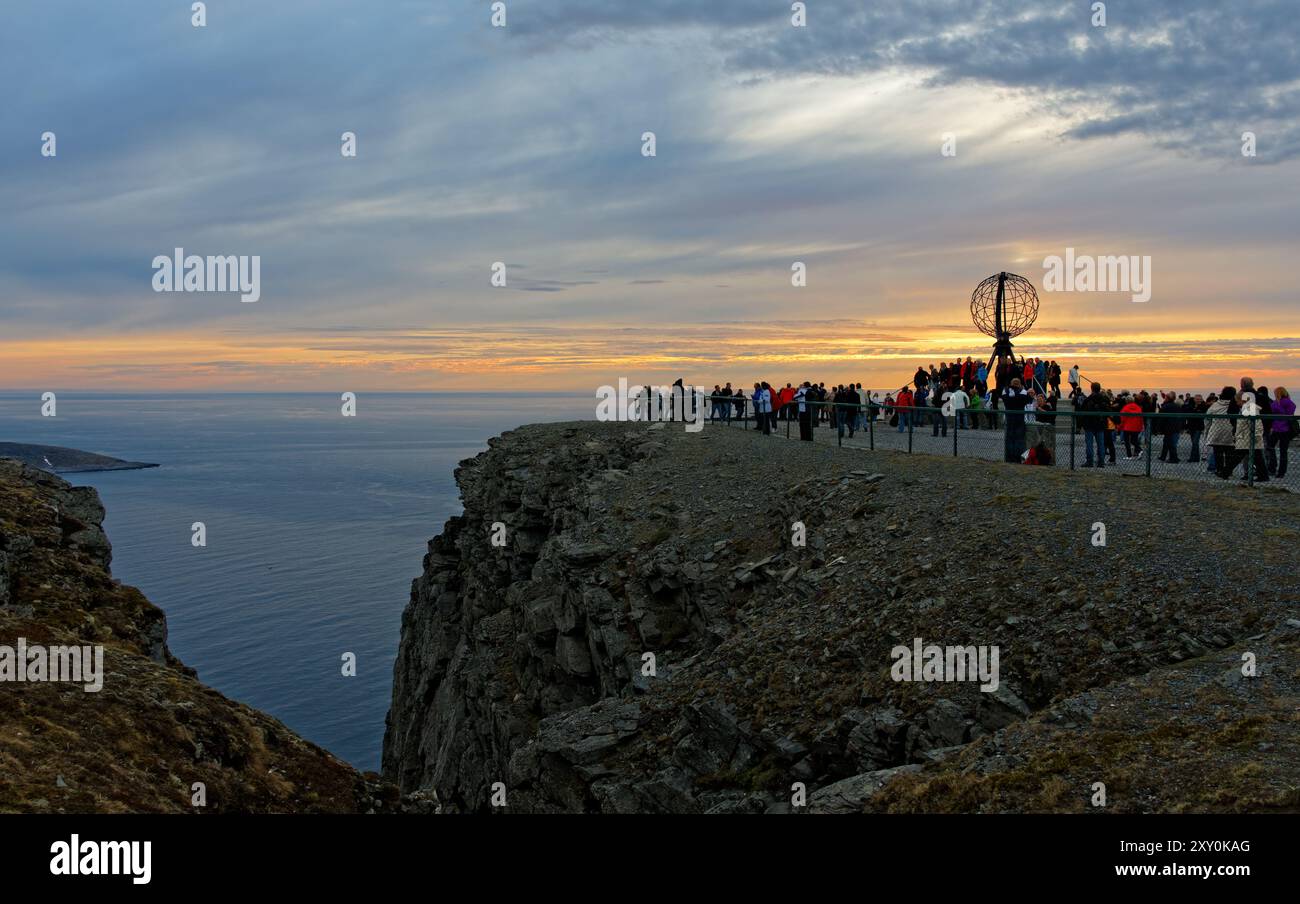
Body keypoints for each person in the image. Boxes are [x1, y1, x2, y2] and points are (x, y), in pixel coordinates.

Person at [1205, 388, 1236, 478]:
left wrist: (1207, 431)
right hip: (1230, 432)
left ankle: (1219, 470)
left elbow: (1207, 418)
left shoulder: (1215, 405)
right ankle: (1228, 471)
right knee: (1229, 453)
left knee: (1218, 453)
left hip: (1216, 432)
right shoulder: (1235, 406)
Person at [1077, 381, 1109, 468]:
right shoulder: (1104, 399)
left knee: (1089, 444)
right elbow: (1108, 411)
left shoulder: (1088, 400)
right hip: (1100, 424)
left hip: (1089, 424)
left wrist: (1081, 425)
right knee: (1101, 444)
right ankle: (1101, 462)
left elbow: (1082, 412)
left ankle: (1089, 461)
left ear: (1091, 389)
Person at [1001, 379, 1030, 462]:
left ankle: (1009, 458)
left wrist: (1012, 398)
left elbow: (1006, 401)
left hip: (1010, 418)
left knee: (1010, 438)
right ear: (1020, 384)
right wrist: (1017, 398)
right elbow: (1025, 400)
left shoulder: (1005, 391)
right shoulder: (1023, 391)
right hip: (1019, 418)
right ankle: (1018, 458)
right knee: (1019, 439)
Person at [1270, 387, 1296, 478]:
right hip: (1286, 429)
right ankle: (1281, 472)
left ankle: (1273, 467)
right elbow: (1291, 411)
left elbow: (1272, 409)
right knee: (1283, 451)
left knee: (1270, 447)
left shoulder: (1276, 403)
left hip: (1277, 429)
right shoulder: (1290, 402)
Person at [1158, 391, 1183, 463]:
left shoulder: (1165, 407)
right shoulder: (1177, 406)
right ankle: (1164, 456)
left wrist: (1159, 428)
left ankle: (1173, 458)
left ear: (1167, 398)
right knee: (1168, 442)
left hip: (1168, 428)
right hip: (1176, 427)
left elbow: (1161, 419)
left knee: (1170, 443)